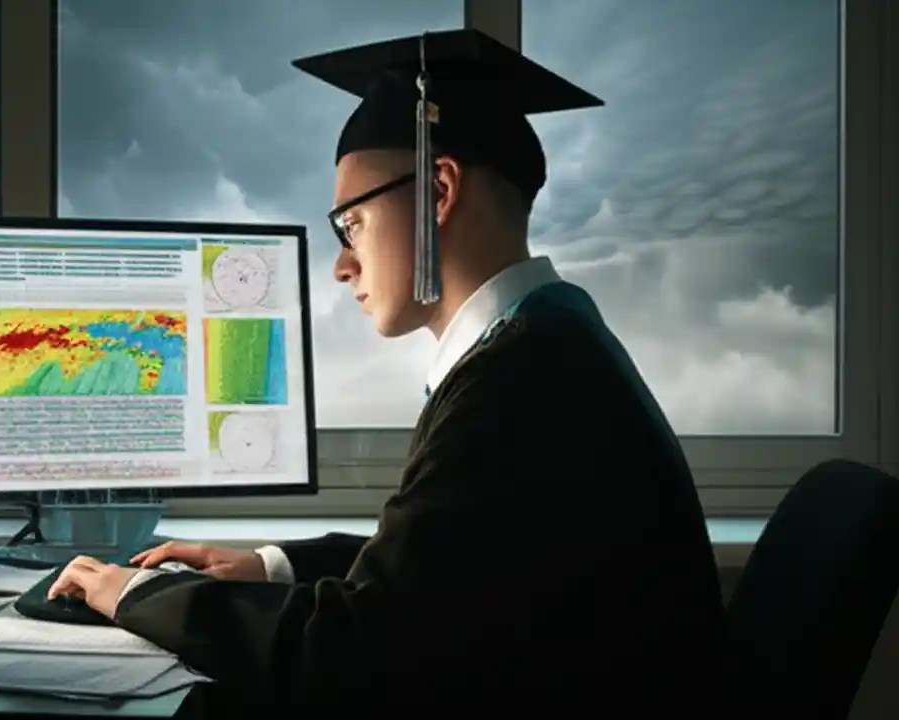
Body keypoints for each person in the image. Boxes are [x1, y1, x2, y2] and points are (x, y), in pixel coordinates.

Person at [48, 28, 725, 711]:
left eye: (352, 225)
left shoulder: (516, 384)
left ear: (438, 190)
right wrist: (265, 567)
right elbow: (432, 570)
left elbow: (349, 654)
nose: (342, 266)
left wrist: (137, 595)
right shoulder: (550, 336)